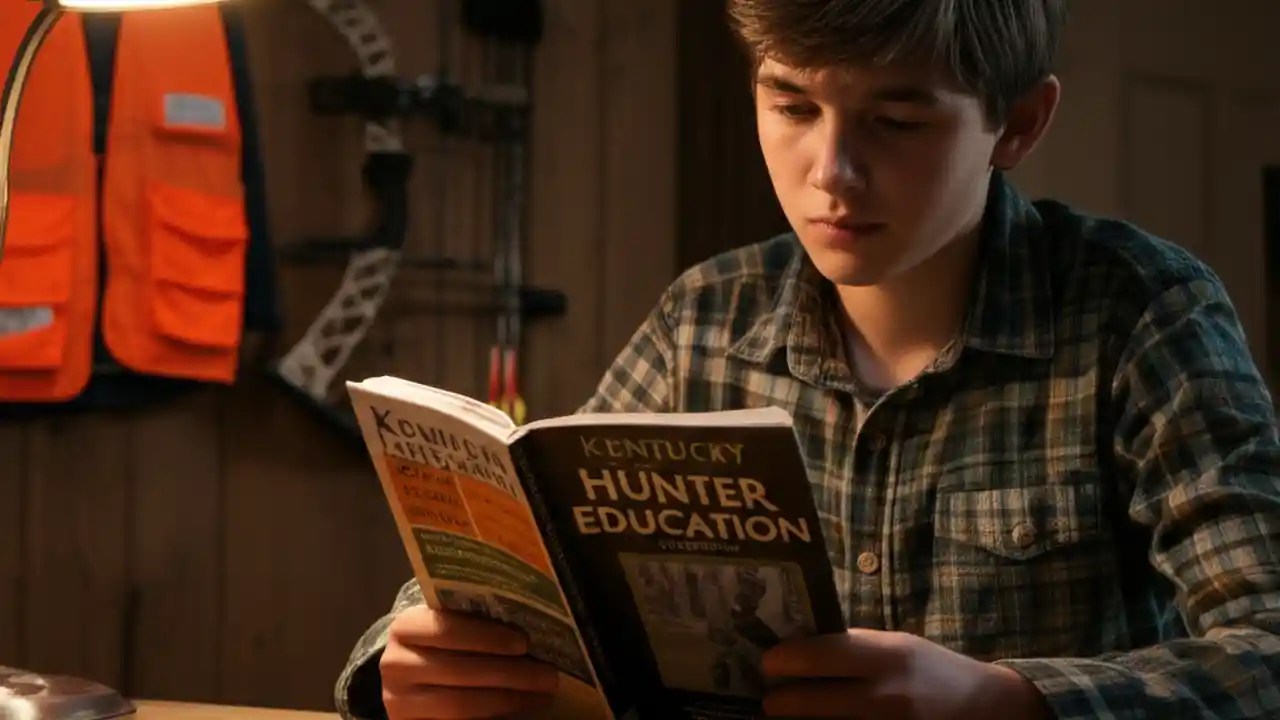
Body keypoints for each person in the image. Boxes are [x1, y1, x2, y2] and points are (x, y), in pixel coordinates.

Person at [333, 0, 1280, 718]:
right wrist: (405, 660)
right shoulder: (704, 319)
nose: (831, 171)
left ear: (1020, 125)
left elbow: (1266, 651)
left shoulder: (1141, 312)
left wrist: (1004, 700)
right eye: (791, 104)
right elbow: (530, 568)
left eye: (896, 122)